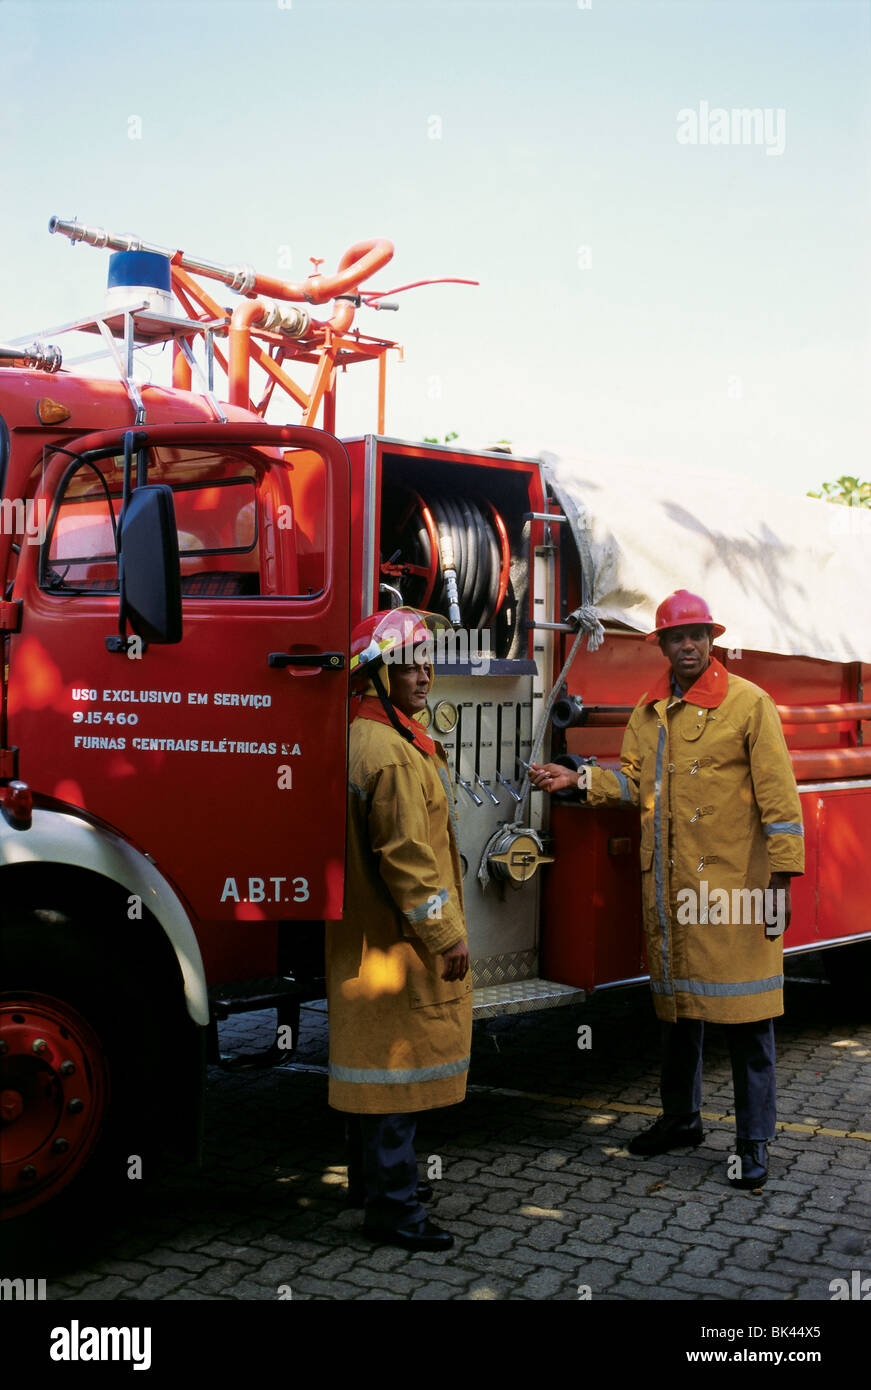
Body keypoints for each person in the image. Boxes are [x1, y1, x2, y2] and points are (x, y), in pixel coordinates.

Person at [530, 590, 804, 1189]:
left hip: (738, 892)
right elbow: (634, 786)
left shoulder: (750, 704)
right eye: (677, 637)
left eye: (697, 635)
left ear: (712, 640)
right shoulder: (650, 709)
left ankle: (753, 1142)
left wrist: (781, 879)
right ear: (661, 644)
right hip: (674, 892)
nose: (688, 646)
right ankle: (681, 1120)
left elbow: (781, 801)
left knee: (749, 1016)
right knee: (679, 1011)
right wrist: (580, 777)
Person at [326, 607, 473, 1250]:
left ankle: (371, 1184)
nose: (421, 673)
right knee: (395, 1073)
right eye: (405, 664)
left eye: (423, 660)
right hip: (397, 947)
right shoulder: (388, 752)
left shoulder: (369, 737)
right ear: (375, 677)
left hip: (365, 943)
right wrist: (446, 935)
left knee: (368, 1065)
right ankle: (395, 1211)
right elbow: (408, 860)